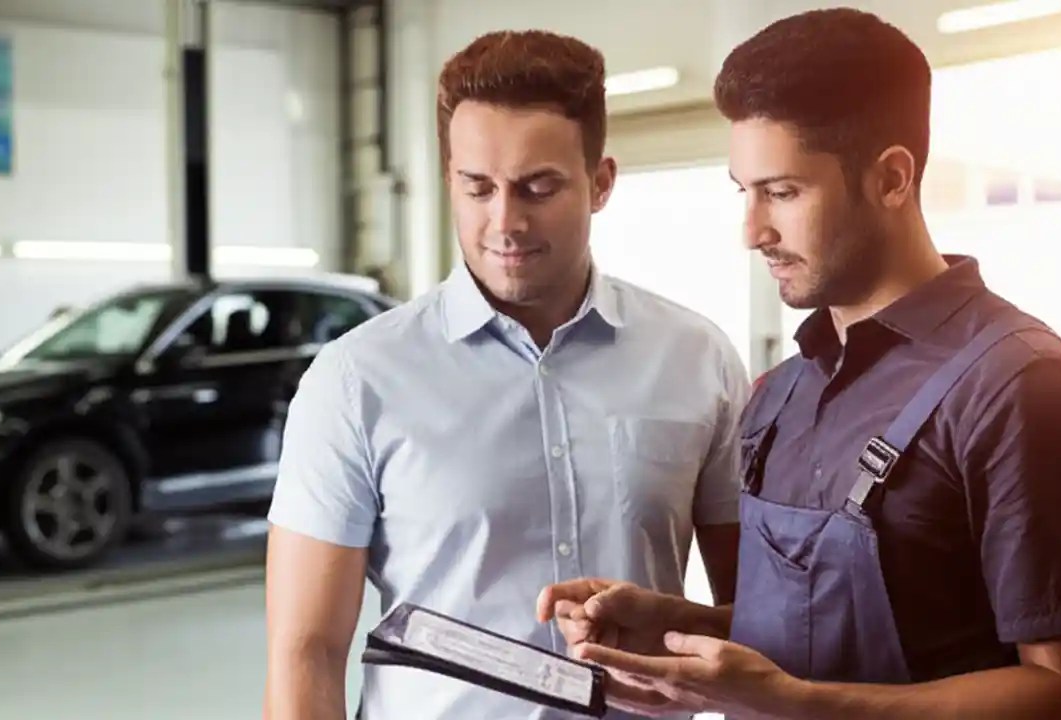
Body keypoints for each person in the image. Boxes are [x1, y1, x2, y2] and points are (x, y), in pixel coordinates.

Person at [538, 8, 1061, 719]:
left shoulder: (1025, 394)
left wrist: (802, 705)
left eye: (783, 192)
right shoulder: (782, 394)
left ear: (891, 178)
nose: (752, 231)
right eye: (745, 192)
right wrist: (680, 628)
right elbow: (816, 643)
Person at [263, 29, 751, 720]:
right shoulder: (355, 380)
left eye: (538, 187)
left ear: (601, 182)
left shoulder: (698, 359)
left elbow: (760, 625)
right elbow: (305, 652)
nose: (505, 221)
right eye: (478, 187)